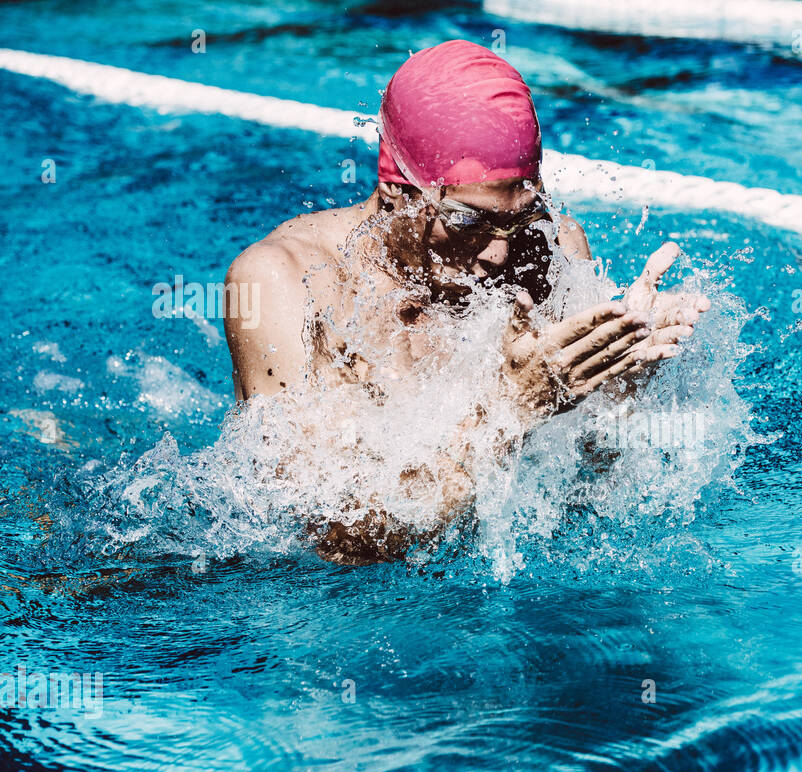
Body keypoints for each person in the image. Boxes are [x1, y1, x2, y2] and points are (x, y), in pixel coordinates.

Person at [221, 40, 709, 562]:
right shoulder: (285, 282)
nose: (500, 254)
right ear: (396, 194)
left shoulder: (547, 249)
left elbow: (584, 493)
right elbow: (334, 539)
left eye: (519, 218)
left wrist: (622, 375)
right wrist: (508, 409)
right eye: (467, 222)